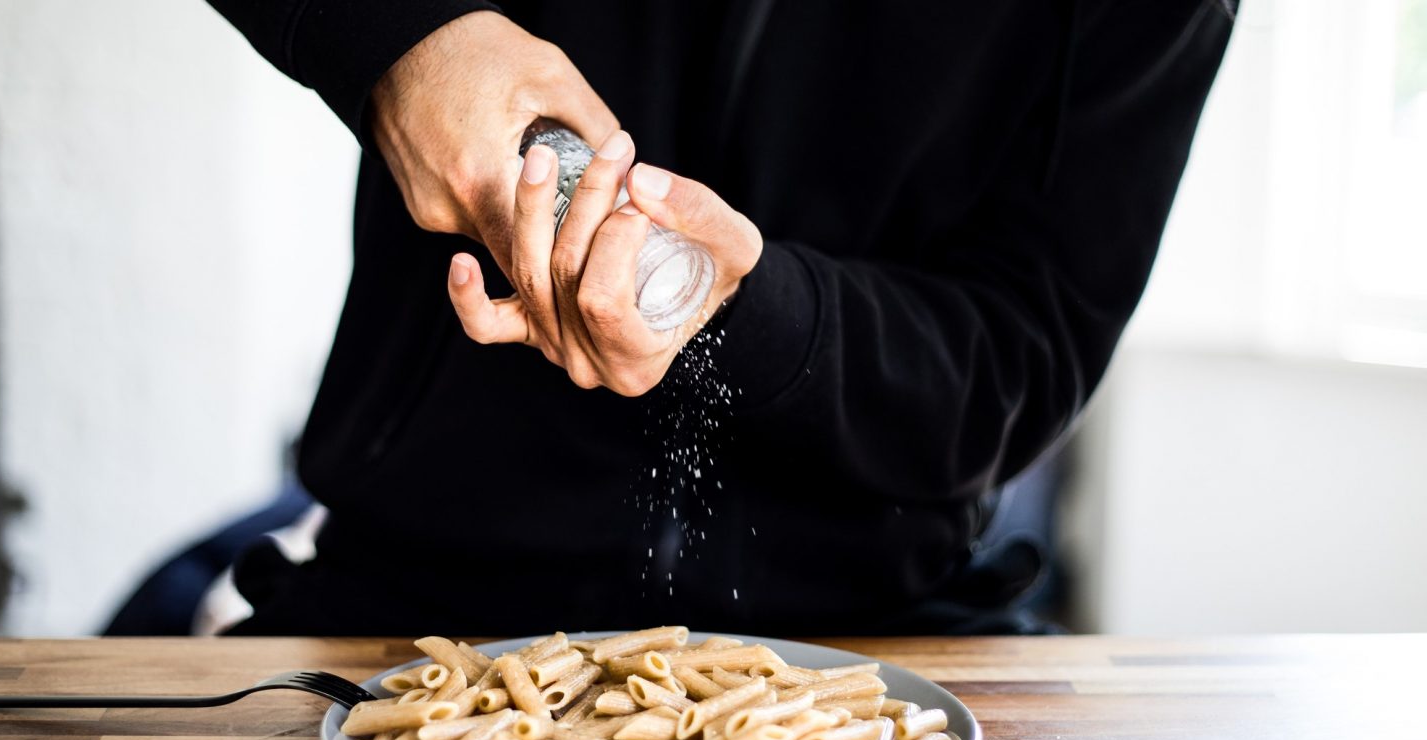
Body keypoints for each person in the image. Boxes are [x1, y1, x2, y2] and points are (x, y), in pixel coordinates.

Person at [206, 0, 1234, 636]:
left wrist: (750, 309)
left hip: (864, 639)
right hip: (416, 596)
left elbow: (1018, 358)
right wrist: (395, 36)